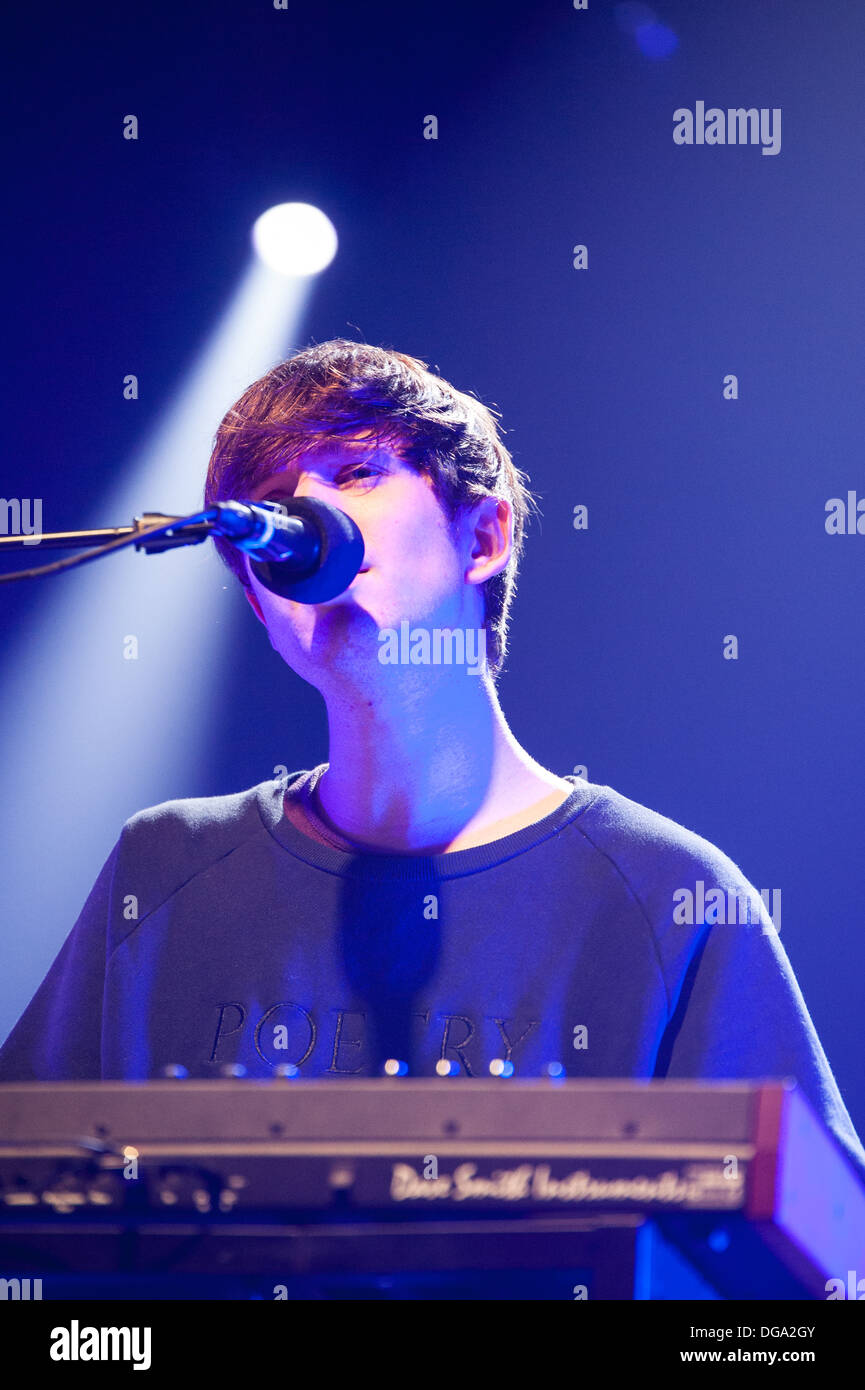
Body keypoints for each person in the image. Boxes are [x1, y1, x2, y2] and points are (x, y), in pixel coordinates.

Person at [1, 338, 864, 1189]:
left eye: (355, 474)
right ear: (259, 600)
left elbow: (815, 1264)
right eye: (270, 497)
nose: (303, 510)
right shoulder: (165, 865)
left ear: (483, 536)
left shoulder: (668, 892)